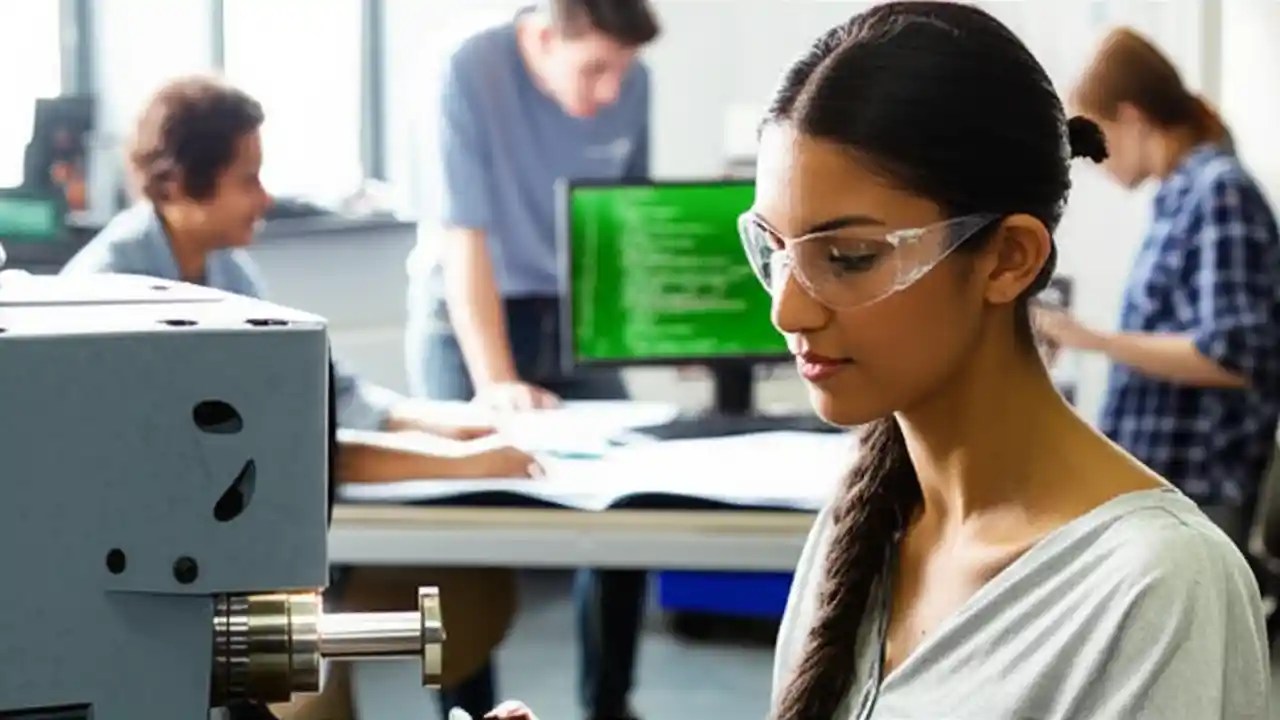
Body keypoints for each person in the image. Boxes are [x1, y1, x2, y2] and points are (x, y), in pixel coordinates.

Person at [487, 3, 1269, 720]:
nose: (786, 310)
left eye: (851, 256)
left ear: (1009, 259)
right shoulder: (863, 521)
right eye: (773, 251)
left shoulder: (1159, 588)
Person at [59, 75, 534, 720]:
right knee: (307, 688)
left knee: (476, 594)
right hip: (171, 593)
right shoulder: (108, 294)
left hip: (264, 560)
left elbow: (332, 397)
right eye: (247, 178)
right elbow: (297, 452)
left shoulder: (226, 270)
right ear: (179, 184)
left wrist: (462, 425)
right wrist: (464, 465)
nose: (266, 196)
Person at [406, 2, 660, 718]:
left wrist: (652, 334)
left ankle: (608, 703)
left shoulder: (632, 82)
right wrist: (496, 384)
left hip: (571, 307)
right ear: (542, 39)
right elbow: (465, 239)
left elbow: (624, 220)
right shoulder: (465, 69)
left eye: (624, 69)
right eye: (596, 70)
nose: (613, 91)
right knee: (463, 515)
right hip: (468, 311)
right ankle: (468, 711)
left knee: (633, 497)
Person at [1037, 27, 1280, 550]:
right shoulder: (1181, 198)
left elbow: (1236, 359)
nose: (1092, 164)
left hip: (1201, 497)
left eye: (1093, 138)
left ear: (1130, 119)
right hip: (1166, 493)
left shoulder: (1219, 194)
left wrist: (1095, 340)